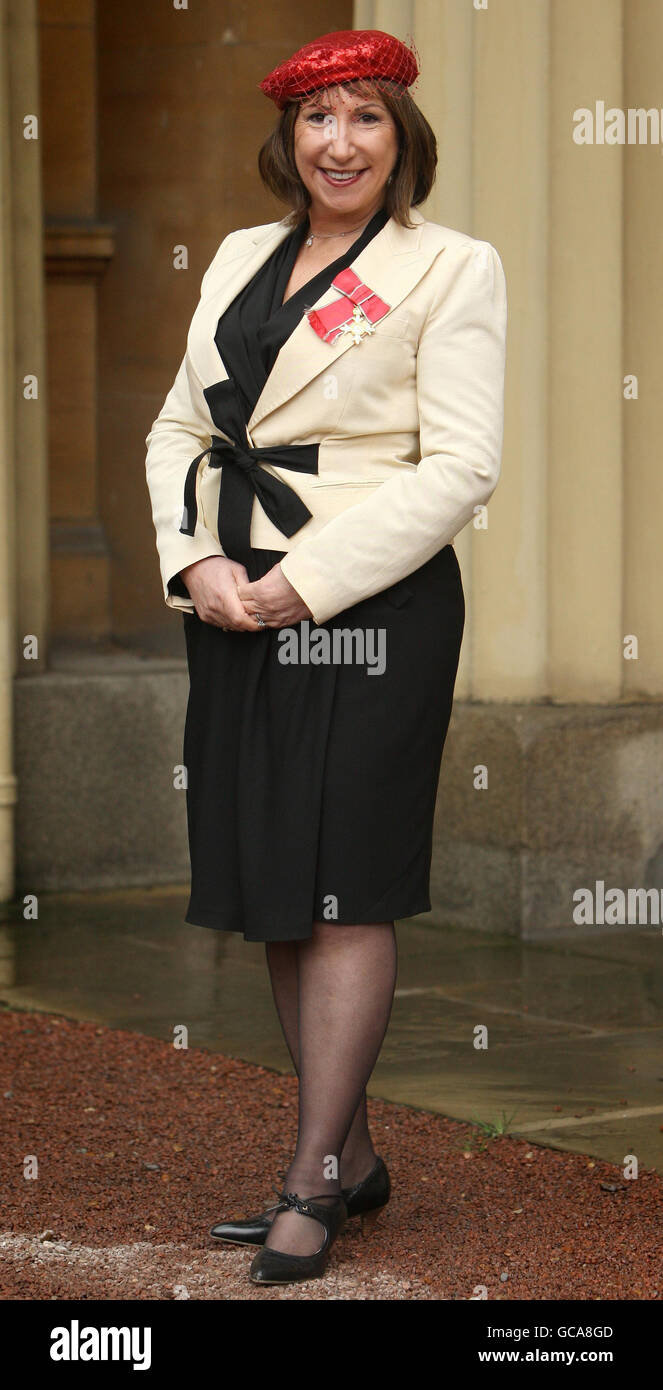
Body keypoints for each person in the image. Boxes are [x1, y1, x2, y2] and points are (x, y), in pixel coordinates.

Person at [144, 27, 507, 1288]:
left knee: (344, 877)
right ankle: (348, 1151)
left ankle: (310, 1180)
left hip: (365, 611)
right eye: (317, 119)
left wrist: (304, 583)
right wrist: (197, 563)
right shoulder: (242, 257)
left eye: (365, 117)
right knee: (276, 883)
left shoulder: (451, 267)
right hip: (234, 602)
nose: (339, 142)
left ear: (403, 139)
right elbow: (181, 427)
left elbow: (463, 465)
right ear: (285, 139)